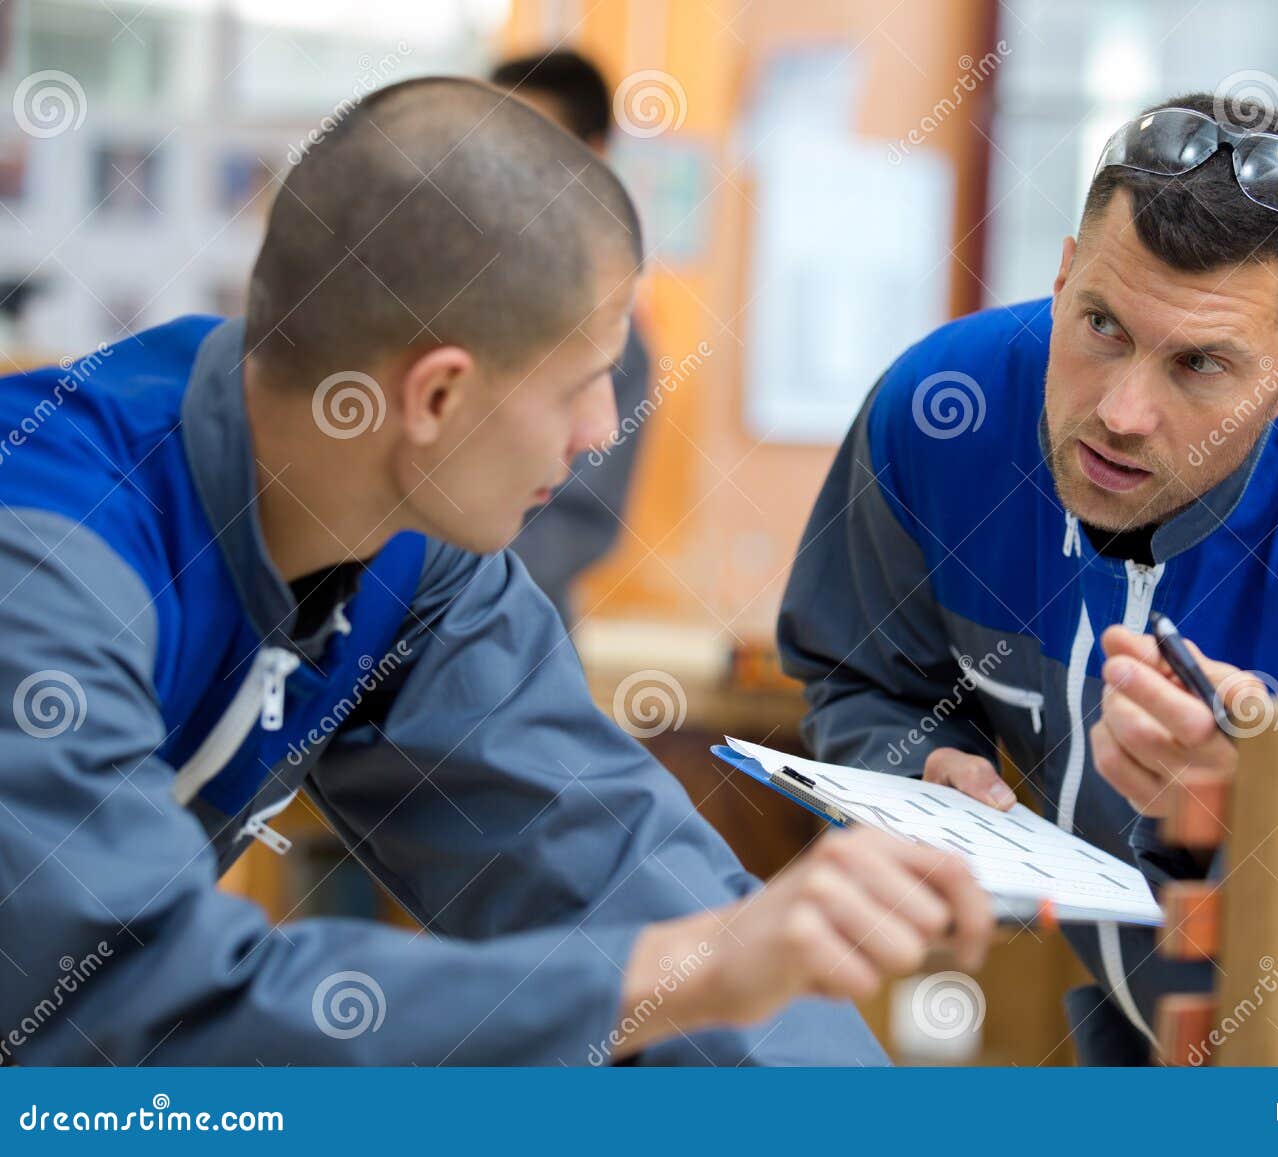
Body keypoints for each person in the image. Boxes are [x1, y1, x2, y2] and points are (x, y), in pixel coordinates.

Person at [0, 77, 995, 1066]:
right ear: (435, 394)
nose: (606, 429)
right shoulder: (45, 558)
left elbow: (604, 854)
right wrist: (673, 972)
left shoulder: (414, 550)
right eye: (580, 382)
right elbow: (122, 999)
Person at [778, 92, 1278, 1065]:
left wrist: (1255, 802)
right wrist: (917, 762)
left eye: (1200, 363)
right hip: (1168, 1030)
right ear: (1063, 274)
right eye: (1102, 326)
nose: (1122, 411)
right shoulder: (938, 417)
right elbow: (862, 676)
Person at [491, 49, 652, 627]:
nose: (508, 165)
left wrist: (430, 574)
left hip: (509, 635)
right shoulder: (448, 282)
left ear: (594, 152)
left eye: (533, 141)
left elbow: (580, 522)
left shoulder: (611, 329)